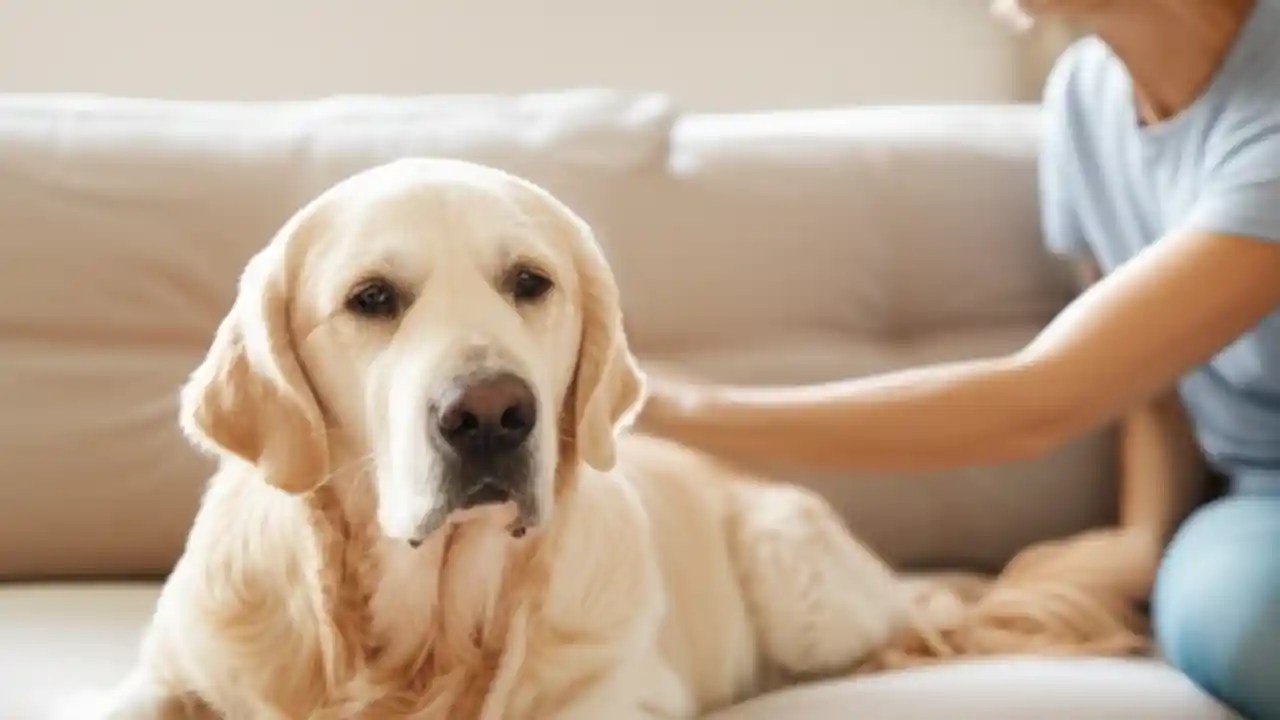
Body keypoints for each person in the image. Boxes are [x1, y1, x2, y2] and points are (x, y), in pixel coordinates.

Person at [637, 1, 1280, 717]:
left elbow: (1042, 401)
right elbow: (1147, 376)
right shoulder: (1086, 95)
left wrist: (667, 406)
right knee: (1251, 628)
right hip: (1261, 501)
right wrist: (1143, 537)